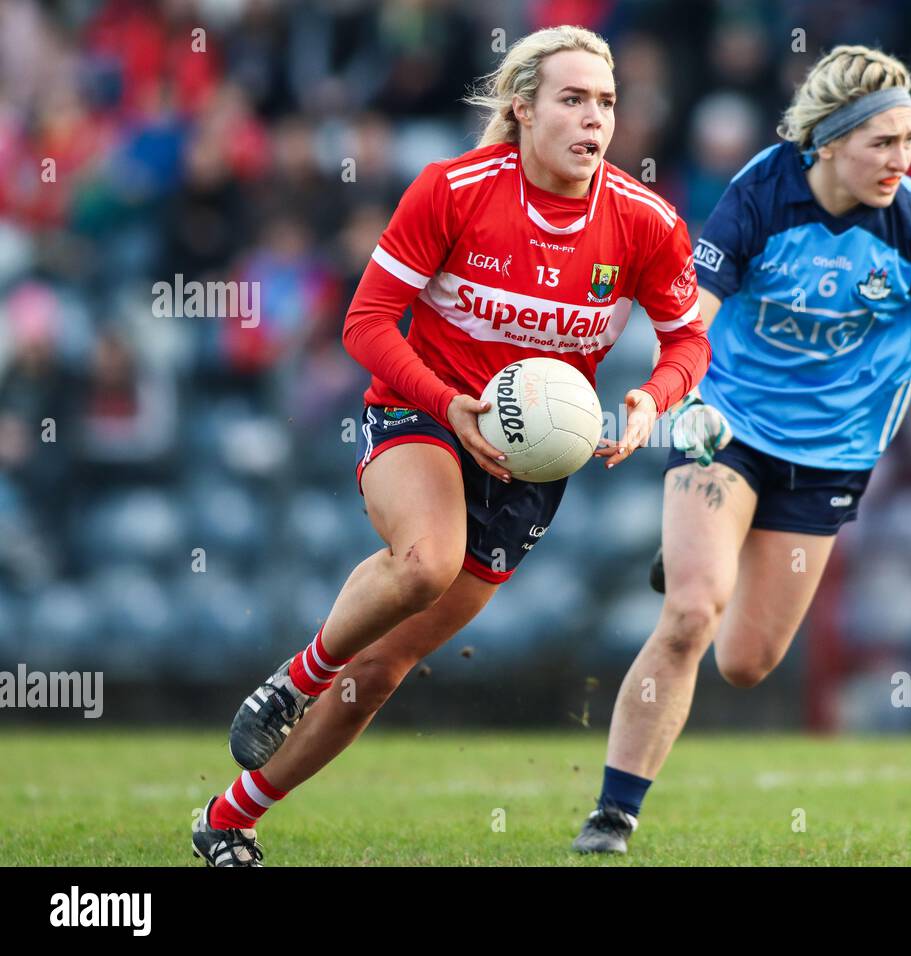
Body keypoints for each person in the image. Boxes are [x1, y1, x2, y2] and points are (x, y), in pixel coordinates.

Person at [190, 25, 711, 866]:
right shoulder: (453, 188)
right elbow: (363, 323)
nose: (594, 119)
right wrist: (449, 403)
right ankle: (296, 678)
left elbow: (690, 341)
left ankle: (228, 816)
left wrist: (655, 398)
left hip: (535, 464)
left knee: (383, 674)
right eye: (572, 99)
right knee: (427, 561)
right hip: (422, 410)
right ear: (524, 108)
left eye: (606, 103)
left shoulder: (645, 222)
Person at [572, 45, 911, 854]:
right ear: (827, 141)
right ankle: (612, 815)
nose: (902, 160)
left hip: (831, 455)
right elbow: (696, 313)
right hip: (729, 430)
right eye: (881, 143)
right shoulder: (758, 192)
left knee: (746, 661)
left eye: (909, 141)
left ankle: (702, 554)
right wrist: (670, 400)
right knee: (690, 613)